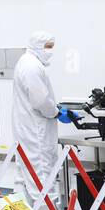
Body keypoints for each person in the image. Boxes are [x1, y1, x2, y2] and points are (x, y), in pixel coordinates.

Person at [11, 30, 78, 200]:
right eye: (48, 47)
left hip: (27, 130)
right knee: (43, 181)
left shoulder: (25, 62)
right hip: (36, 134)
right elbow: (40, 101)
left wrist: (56, 109)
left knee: (25, 180)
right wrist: (56, 112)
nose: (50, 51)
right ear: (37, 46)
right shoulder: (32, 66)